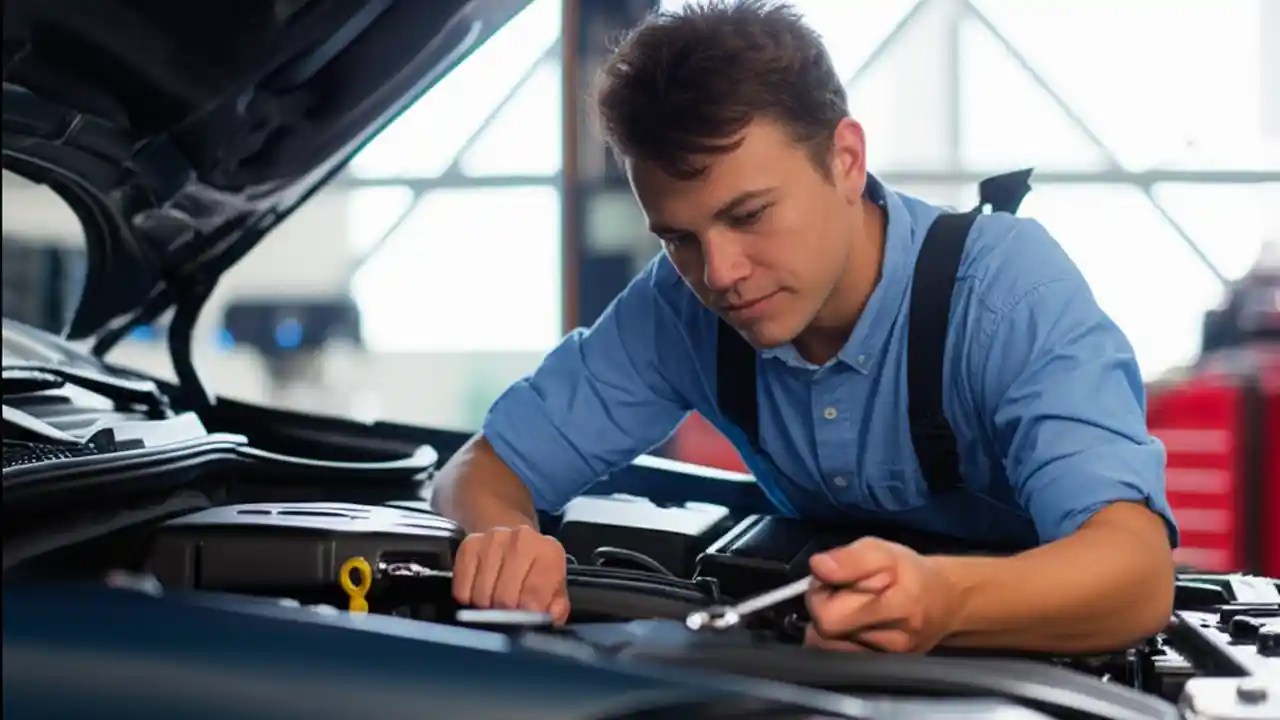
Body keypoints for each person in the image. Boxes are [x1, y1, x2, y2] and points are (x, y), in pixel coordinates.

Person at [431, 0, 1178, 654]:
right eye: (678, 238)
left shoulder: (1008, 294)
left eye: (749, 215)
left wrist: (945, 600)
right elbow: (480, 470)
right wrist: (507, 539)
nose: (719, 273)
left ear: (846, 160)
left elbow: (1136, 575)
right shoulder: (676, 308)